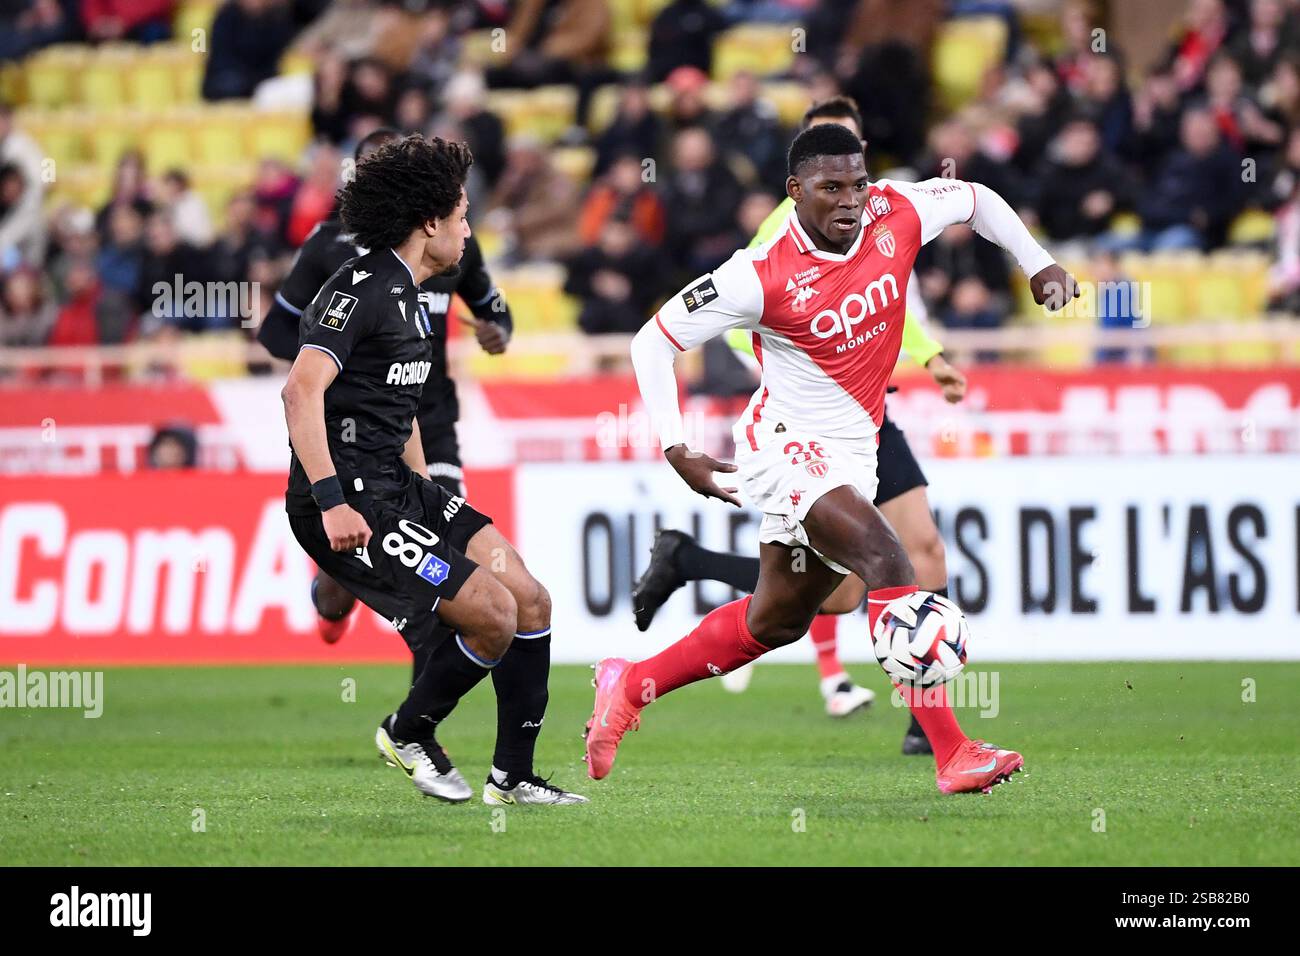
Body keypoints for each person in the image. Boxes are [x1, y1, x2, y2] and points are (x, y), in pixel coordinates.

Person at [586, 122, 1079, 794]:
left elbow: (977, 199)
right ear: (795, 192)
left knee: (777, 620)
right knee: (889, 560)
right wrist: (677, 448)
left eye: (857, 183)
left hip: (854, 449)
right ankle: (952, 752)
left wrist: (1037, 260)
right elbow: (653, 341)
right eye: (830, 188)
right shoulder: (756, 275)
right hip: (785, 445)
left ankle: (630, 685)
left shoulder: (896, 211)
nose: (850, 199)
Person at [632, 97, 967, 753]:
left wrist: (930, 357)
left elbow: (893, 304)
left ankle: (685, 568)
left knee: (854, 587)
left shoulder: (880, 216)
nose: (847, 189)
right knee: (887, 559)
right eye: (829, 174)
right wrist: (790, 376)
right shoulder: (774, 243)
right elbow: (730, 329)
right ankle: (939, 736)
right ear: (799, 178)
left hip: (873, 415)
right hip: (811, 424)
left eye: (854, 169)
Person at [281, 134, 585, 806]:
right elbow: (299, 390)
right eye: (463, 217)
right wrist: (333, 501)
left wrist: (429, 504)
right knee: (492, 616)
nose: (469, 230)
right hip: (352, 499)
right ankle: (409, 730)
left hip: (400, 485)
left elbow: (402, 410)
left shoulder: (416, 293)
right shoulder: (358, 287)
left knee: (530, 600)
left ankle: (513, 778)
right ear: (430, 224)